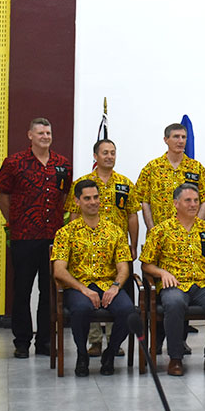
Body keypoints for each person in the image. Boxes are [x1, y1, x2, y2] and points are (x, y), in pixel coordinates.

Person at [0, 117, 72, 358]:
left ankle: (45, 342)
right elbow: (2, 198)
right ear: (30, 135)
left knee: (49, 291)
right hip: (24, 237)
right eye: (40, 133)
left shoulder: (62, 164)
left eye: (48, 133)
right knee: (22, 290)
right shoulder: (14, 163)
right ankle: (21, 341)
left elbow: (66, 196)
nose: (45, 137)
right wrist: (17, 222)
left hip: (53, 239)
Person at [140, 183, 205, 376]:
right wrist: (163, 273)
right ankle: (175, 358)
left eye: (196, 200)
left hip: (203, 284)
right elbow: (146, 264)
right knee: (173, 304)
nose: (193, 204)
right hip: (175, 284)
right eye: (188, 200)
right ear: (176, 203)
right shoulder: (161, 230)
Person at [51, 179, 136, 376]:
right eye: (87, 198)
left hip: (108, 284)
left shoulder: (115, 230)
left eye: (96, 197)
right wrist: (83, 289)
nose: (92, 202)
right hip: (79, 286)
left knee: (128, 311)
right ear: (77, 201)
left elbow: (124, 267)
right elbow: (59, 271)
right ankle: (82, 355)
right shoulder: (66, 233)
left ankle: (111, 352)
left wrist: (115, 287)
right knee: (81, 309)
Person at [66, 139, 140, 358]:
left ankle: (114, 343)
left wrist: (132, 244)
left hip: (116, 251)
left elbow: (132, 215)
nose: (109, 156)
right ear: (95, 156)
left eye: (113, 153)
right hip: (87, 250)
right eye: (105, 153)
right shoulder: (83, 183)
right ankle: (95, 341)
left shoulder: (125, 184)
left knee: (117, 297)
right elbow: (73, 213)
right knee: (89, 294)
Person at [136, 123, 205, 231]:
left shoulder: (196, 168)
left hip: (189, 238)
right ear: (166, 140)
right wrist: (153, 231)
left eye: (183, 137)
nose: (180, 141)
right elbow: (145, 202)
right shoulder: (152, 168)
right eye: (176, 137)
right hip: (160, 237)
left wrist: (194, 228)